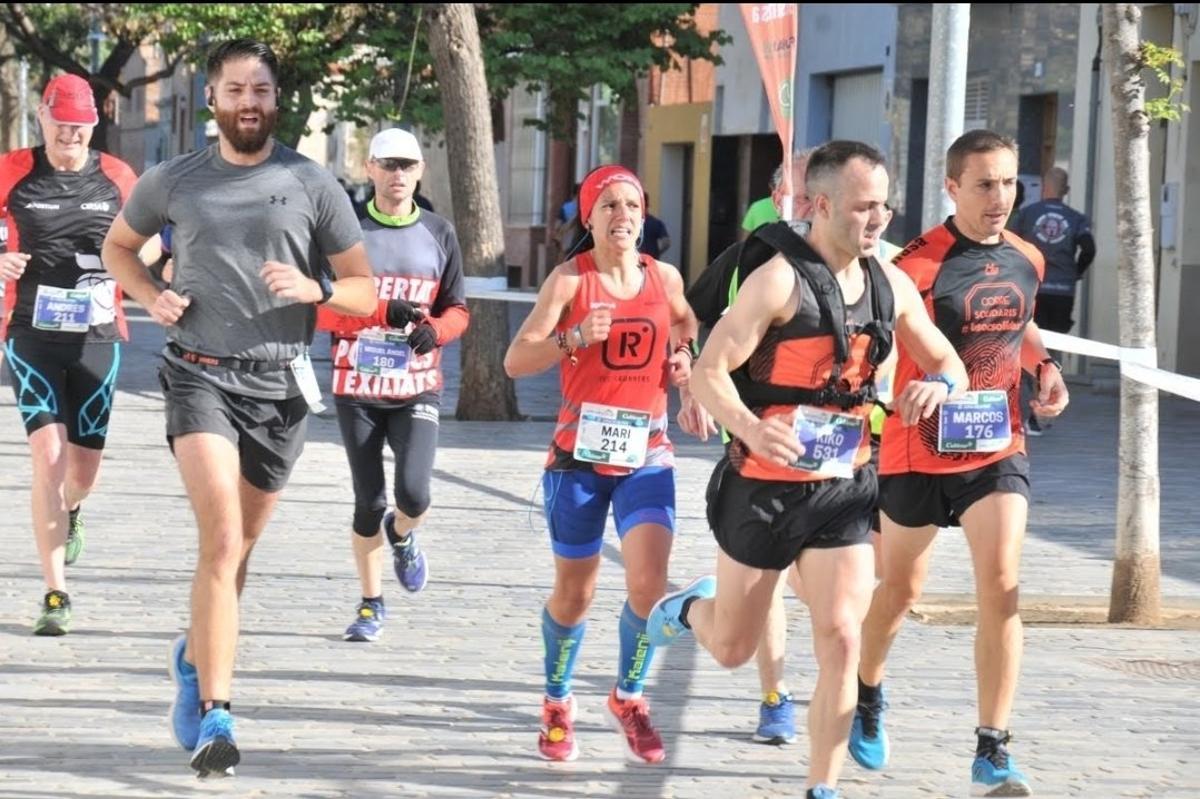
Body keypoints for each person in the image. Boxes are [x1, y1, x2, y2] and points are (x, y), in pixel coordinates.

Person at [645, 140, 968, 799]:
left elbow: (949, 363)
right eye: (862, 206)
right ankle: (688, 608)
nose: (877, 219)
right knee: (732, 647)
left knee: (843, 638)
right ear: (820, 205)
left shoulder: (890, 282)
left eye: (884, 206)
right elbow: (709, 372)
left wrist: (939, 386)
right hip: (761, 487)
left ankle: (823, 786)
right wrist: (751, 427)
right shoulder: (778, 279)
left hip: (843, 487)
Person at [101, 39, 376, 778]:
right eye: (234, 90)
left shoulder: (311, 182)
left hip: (281, 389)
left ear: (275, 99)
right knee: (222, 538)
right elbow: (118, 248)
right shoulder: (174, 179)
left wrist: (317, 290)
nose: (248, 102)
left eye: (260, 90)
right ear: (212, 99)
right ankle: (218, 711)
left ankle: (194, 659)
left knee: (238, 551)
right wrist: (149, 293)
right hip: (198, 376)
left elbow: (364, 288)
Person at [850, 130, 1070, 797]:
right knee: (900, 592)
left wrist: (1045, 367)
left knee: (1002, 585)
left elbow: (1019, 324)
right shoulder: (915, 265)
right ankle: (866, 691)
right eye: (984, 184)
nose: (999, 198)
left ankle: (992, 747)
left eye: (1008, 184)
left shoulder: (1028, 256)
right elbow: (880, 346)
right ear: (952, 187)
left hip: (997, 446)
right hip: (916, 449)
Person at [504, 164, 711, 765]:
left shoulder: (664, 277)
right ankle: (557, 701)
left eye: (633, 205)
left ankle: (629, 696)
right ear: (589, 217)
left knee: (648, 584)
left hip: (647, 453)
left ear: (644, 217)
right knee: (576, 594)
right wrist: (573, 339)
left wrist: (684, 360)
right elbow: (516, 360)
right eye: (609, 206)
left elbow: (686, 321)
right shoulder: (571, 281)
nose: (623, 216)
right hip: (578, 459)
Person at [0, 73, 141, 635]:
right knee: (49, 456)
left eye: (80, 128)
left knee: (82, 472)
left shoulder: (118, 176)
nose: (69, 137)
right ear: (43, 116)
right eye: (61, 126)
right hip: (29, 332)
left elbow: (150, 239)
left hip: (97, 337)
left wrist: (151, 265)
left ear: (94, 125)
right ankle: (55, 592)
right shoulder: (12, 170)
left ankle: (73, 510)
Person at [316, 127, 469, 642]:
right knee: (369, 500)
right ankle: (370, 603)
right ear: (371, 169)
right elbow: (321, 310)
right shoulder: (347, 233)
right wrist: (378, 312)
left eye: (407, 165)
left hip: (416, 385)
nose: (398, 174)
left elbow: (458, 310)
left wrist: (437, 331)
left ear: (420, 171)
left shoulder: (439, 232)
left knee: (414, 495)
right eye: (388, 164)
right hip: (357, 385)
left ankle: (402, 537)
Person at [1012, 167, 1095, 435]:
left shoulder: (1027, 215)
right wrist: (1075, 272)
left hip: (1032, 289)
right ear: (1066, 190)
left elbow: (1009, 244)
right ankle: (1042, 412)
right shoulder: (1076, 218)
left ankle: (1027, 410)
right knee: (1051, 352)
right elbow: (1089, 248)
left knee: (1027, 348)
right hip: (1062, 292)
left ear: (1043, 188)